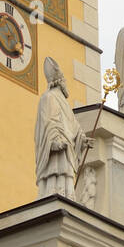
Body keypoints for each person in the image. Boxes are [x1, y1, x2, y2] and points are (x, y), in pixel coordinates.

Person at [34, 58, 87, 199]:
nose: (66, 84)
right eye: (64, 81)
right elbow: (47, 123)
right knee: (55, 173)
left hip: (67, 148)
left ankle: (67, 198)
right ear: (60, 82)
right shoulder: (48, 97)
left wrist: (82, 139)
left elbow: (73, 126)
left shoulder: (65, 104)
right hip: (57, 147)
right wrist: (54, 142)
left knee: (66, 176)